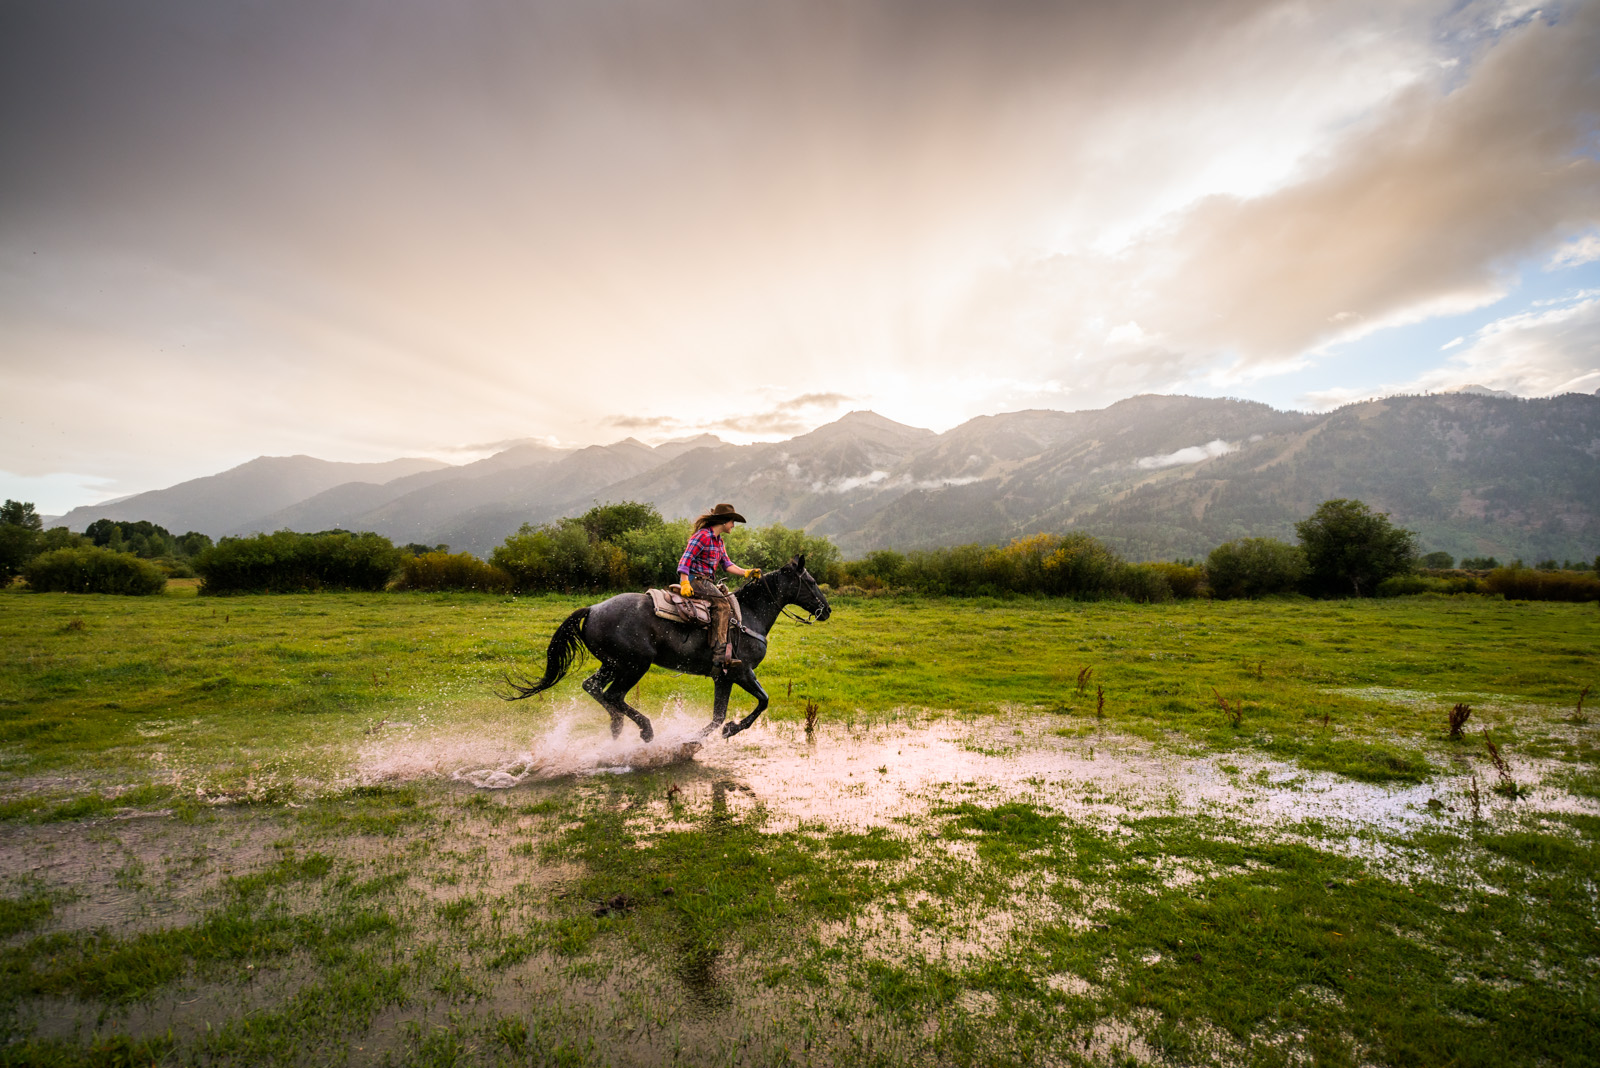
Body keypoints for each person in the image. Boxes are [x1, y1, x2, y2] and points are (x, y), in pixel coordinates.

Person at [677, 503, 761, 671]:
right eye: (732, 521)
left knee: (727, 603)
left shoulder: (719, 541)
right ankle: (719, 654)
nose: (733, 525)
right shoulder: (702, 536)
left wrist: (747, 572)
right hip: (696, 580)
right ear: (724, 521)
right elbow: (685, 560)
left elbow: (727, 564)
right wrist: (685, 581)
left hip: (707, 581)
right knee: (722, 606)